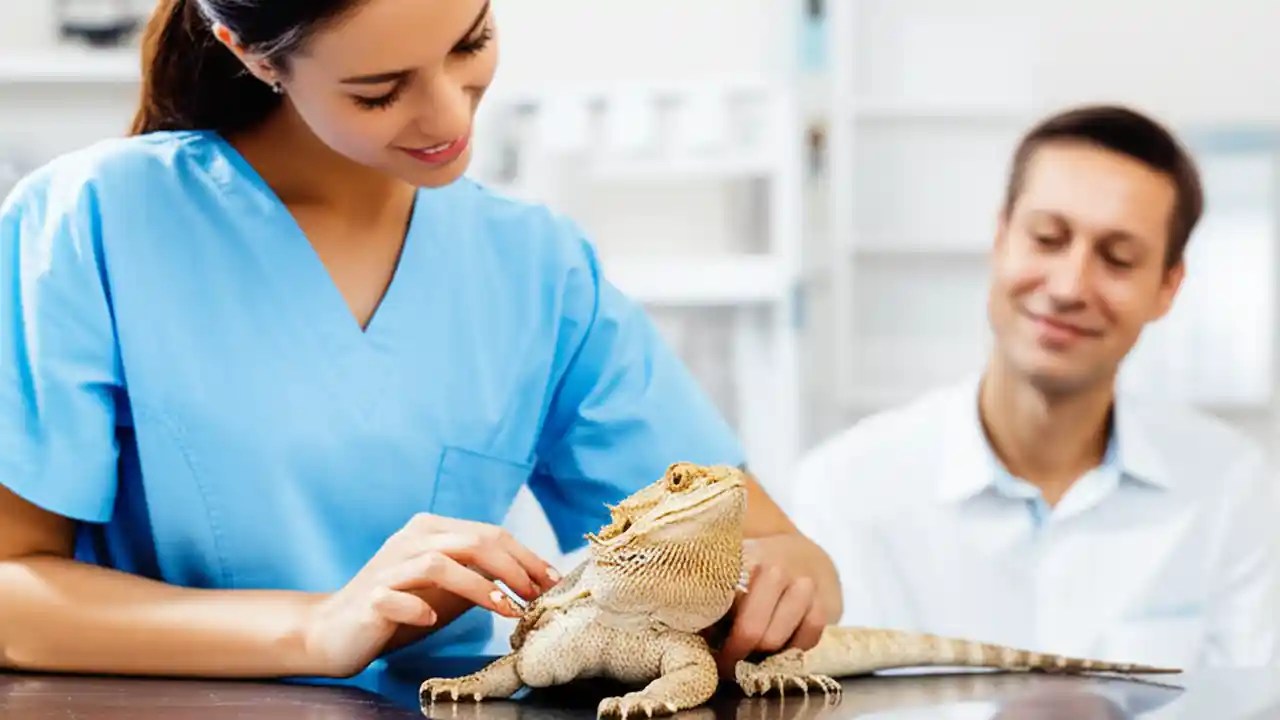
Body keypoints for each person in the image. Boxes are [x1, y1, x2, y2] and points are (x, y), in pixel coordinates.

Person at [0, 0, 842, 696]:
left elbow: (753, 536)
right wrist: (316, 626)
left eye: (470, 41)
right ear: (254, 57)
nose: (448, 113)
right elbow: (12, 592)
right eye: (378, 89)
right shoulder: (94, 221)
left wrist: (792, 574)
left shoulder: (536, 268)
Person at [789, 104, 1279, 670]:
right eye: (1048, 238)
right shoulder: (845, 491)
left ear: (1168, 287)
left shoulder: (1229, 491)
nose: (1070, 286)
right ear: (1001, 238)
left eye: (1118, 259)